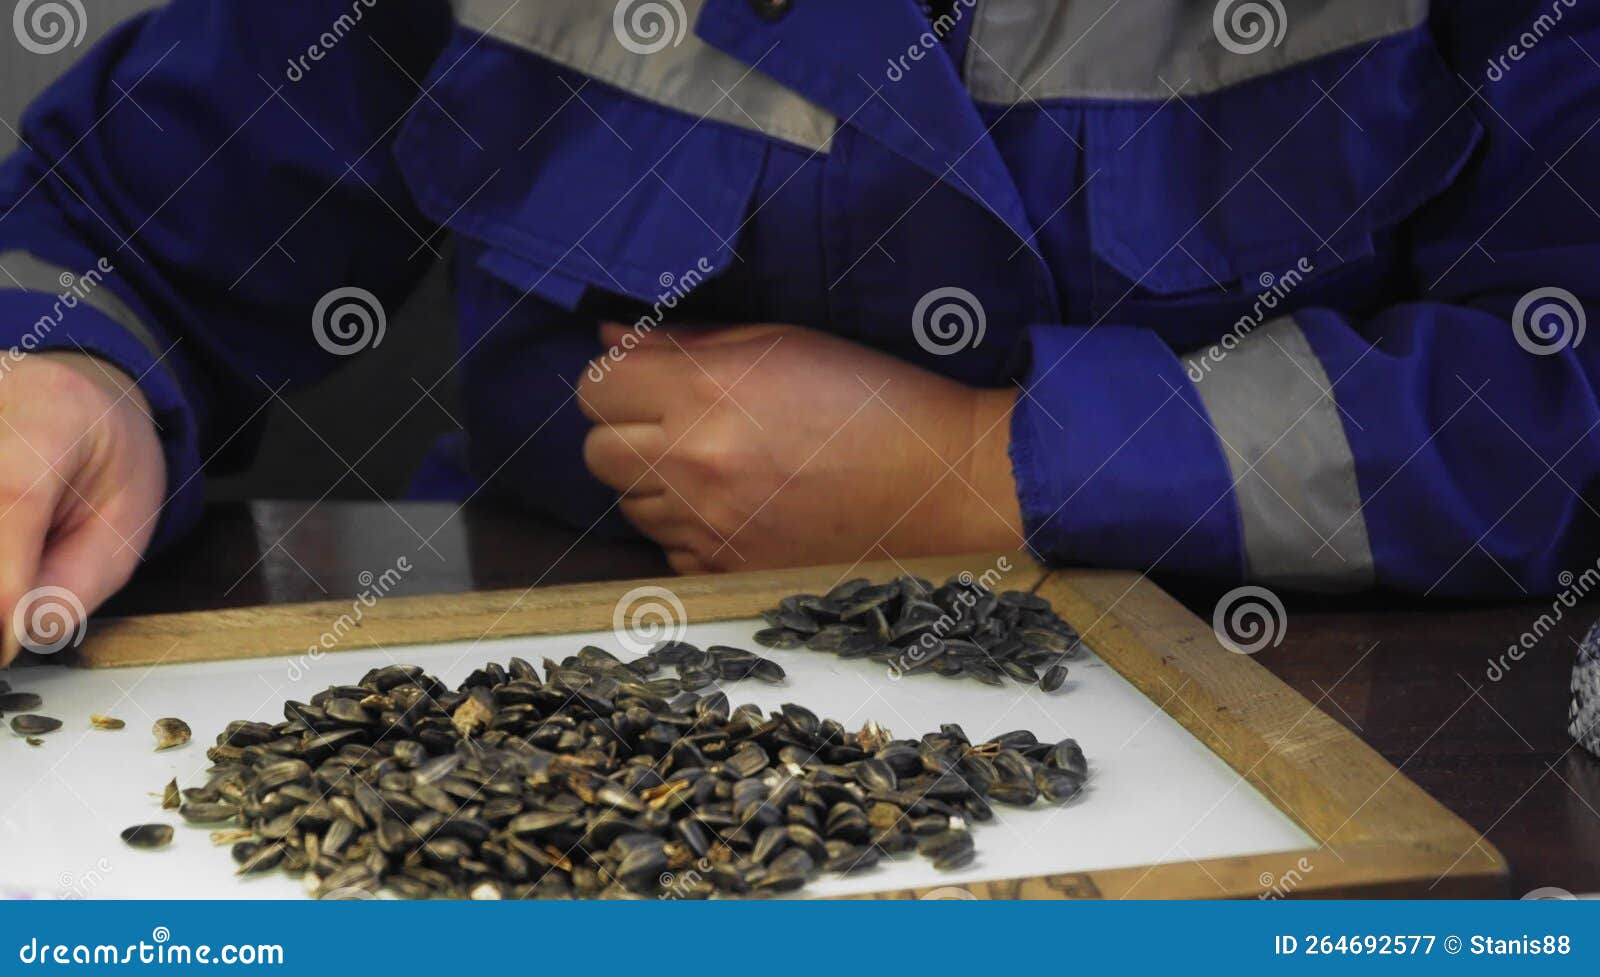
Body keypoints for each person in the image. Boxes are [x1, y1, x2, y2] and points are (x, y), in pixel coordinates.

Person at [0, 0, 1595, 666]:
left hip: (1294, 725)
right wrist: (74, 370)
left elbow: (1563, 368)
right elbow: (116, 218)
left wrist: (999, 468)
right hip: (565, 723)